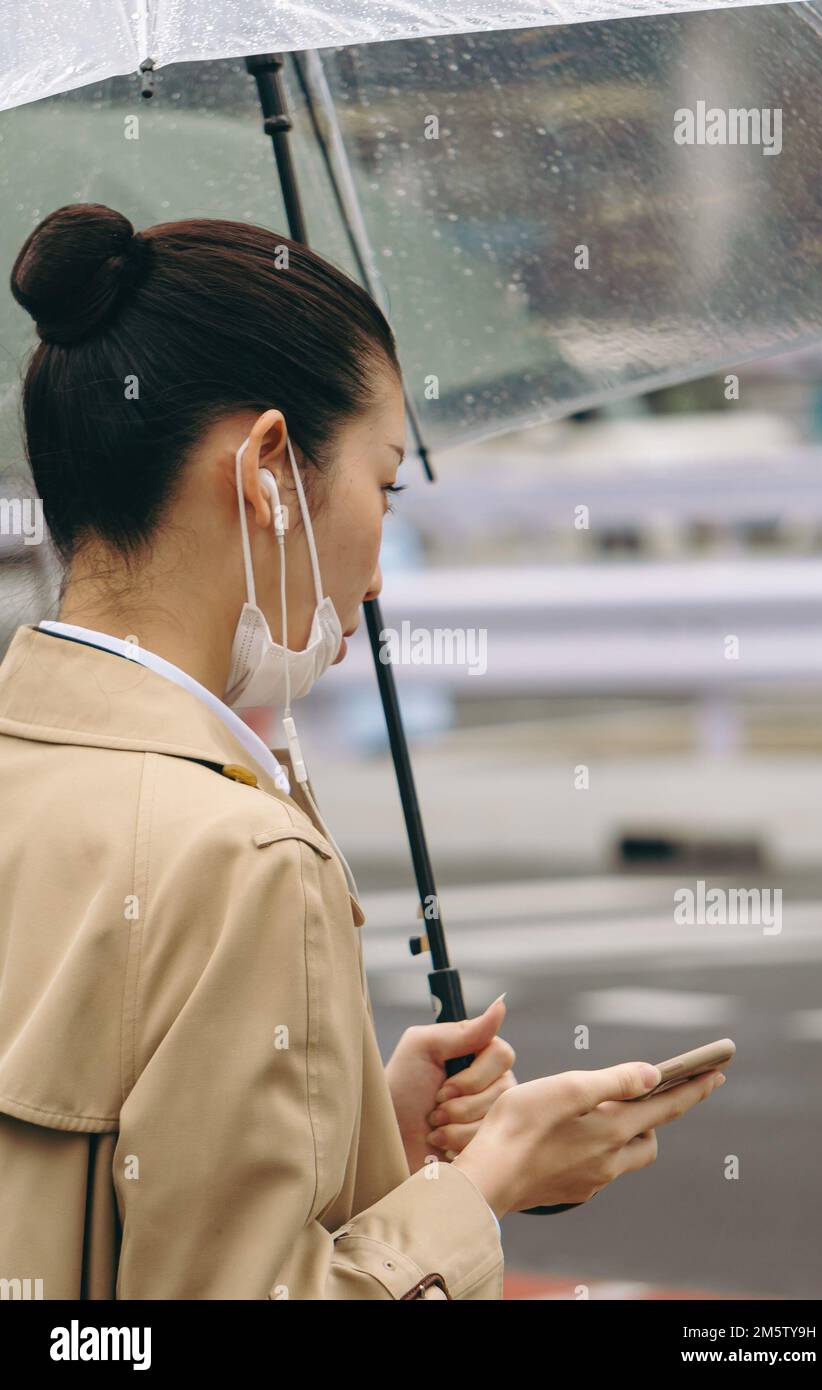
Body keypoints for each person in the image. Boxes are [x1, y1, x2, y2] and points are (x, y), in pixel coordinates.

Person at [0, 204, 725, 1301]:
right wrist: (480, 1189)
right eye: (382, 486)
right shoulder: (239, 860)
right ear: (269, 470)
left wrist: (350, 1128)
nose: (377, 578)